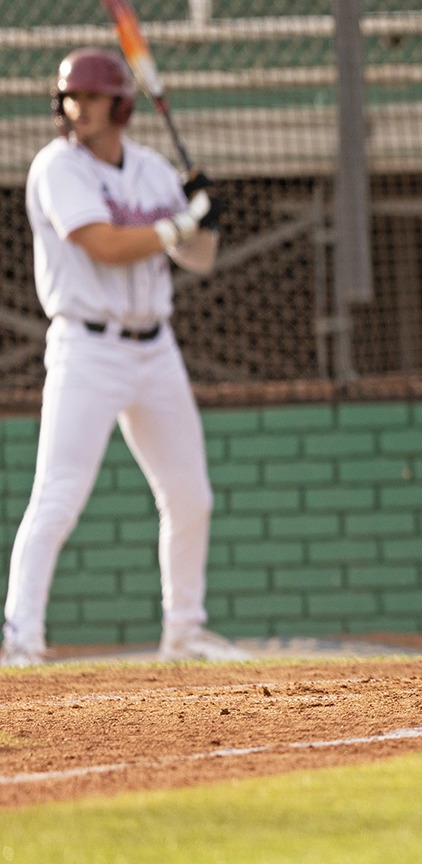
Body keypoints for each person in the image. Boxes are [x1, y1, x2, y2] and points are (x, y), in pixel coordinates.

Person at [3, 48, 247, 668]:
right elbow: (105, 245)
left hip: (154, 348)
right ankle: (20, 635)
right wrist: (179, 225)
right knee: (58, 494)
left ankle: (184, 630)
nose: (77, 108)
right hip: (86, 347)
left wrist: (204, 217)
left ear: (120, 104)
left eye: (90, 97)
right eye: (69, 97)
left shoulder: (152, 171)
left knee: (190, 494)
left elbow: (201, 259)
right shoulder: (57, 168)